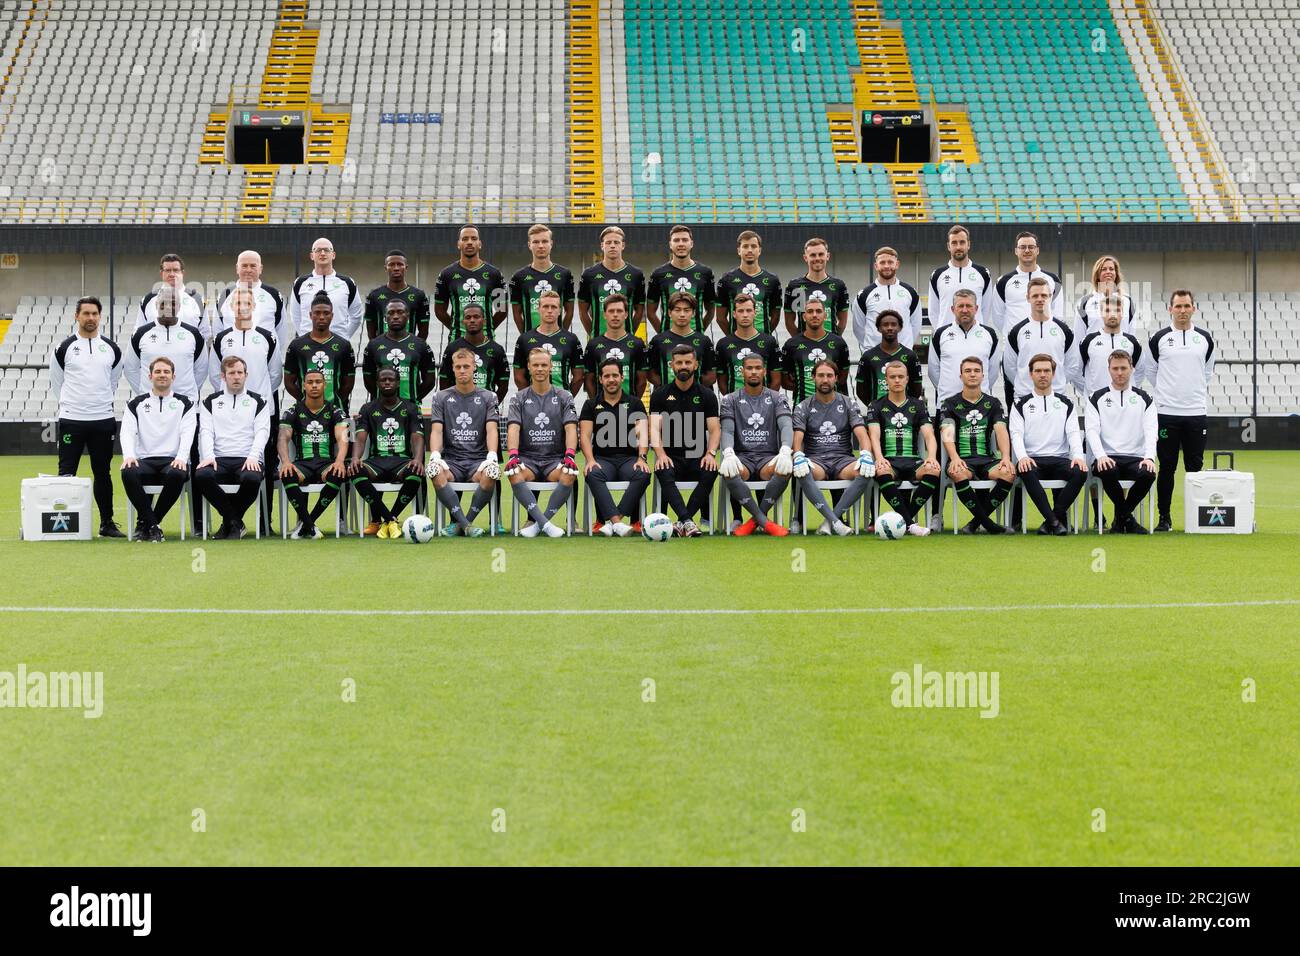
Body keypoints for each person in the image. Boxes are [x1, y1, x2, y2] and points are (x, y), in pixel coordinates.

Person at [50, 296, 125, 537]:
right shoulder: (64, 348)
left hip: (102, 419)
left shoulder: (111, 349)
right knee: (66, 472)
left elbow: (112, 382)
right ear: (77, 316)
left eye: (95, 314)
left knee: (103, 472)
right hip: (72, 419)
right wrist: (73, 405)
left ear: (100, 317)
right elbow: (57, 383)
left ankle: (107, 523)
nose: (90, 318)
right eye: (86, 314)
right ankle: (63, 525)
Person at [211, 285, 282, 534]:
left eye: (247, 303)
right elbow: (213, 374)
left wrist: (256, 401)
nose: (242, 307)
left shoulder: (268, 336)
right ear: (231, 307)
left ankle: (266, 524)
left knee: (264, 466)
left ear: (254, 307)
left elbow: (275, 374)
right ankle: (232, 521)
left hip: (261, 411)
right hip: (228, 412)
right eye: (238, 303)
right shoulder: (221, 338)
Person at [1148, 289, 1215, 532]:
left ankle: (1196, 517)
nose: (1183, 311)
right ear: (1170, 309)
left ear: (1194, 308)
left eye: (1187, 306)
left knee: (1195, 467)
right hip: (1167, 413)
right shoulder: (1159, 338)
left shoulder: (1205, 338)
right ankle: (1164, 517)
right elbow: (1151, 371)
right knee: (1166, 467)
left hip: (1196, 413)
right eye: (1178, 306)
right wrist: (1169, 394)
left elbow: (1207, 372)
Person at [791, 359, 874, 536]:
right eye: (821, 375)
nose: (825, 379)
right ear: (813, 378)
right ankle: (836, 522)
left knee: (865, 470)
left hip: (843, 460)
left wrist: (866, 453)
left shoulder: (848, 403)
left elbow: (861, 433)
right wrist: (798, 455)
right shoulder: (803, 406)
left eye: (829, 375)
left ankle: (830, 521)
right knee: (803, 470)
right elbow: (797, 438)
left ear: (836, 378)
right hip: (816, 461)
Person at [120, 356, 196, 542]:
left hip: (172, 460)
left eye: (166, 372)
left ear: (173, 376)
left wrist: (181, 458)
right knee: (128, 471)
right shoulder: (136, 403)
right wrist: (129, 455)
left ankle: (148, 524)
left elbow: (188, 433)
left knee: (177, 473)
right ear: (150, 376)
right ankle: (153, 525)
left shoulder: (185, 403)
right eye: (158, 372)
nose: (162, 375)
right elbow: (127, 432)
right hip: (145, 460)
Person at [194, 356, 272, 539]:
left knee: (252, 479)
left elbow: (262, 432)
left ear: (246, 375)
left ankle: (228, 523)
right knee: (202, 475)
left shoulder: (259, 401)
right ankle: (234, 522)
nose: (236, 377)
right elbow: (205, 431)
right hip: (219, 459)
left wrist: (253, 457)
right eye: (231, 373)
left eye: (239, 372)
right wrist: (209, 455)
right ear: (223, 376)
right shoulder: (210, 401)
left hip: (247, 458)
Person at [1010, 354, 1087, 535]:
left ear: (1053, 374)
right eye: (1038, 371)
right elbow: (1016, 435)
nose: (1042, 375)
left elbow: (1074, 433)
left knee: (1081, 471)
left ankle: (1050, 521)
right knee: (1026, 469)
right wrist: (1022, 457)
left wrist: (1077, 456)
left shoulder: (1065, 403)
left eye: (1047, 371)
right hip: (1033, 460)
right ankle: (1055, 521)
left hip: (1059, 458)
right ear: (1031, 375)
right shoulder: (1020, 404)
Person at [505, 348, 579, 538]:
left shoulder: (564, 396)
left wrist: (570, 454)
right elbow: (513, 428)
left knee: (569, 474)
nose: (539, 369)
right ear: (528, 367)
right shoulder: (518, 397)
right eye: (535, 365)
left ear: (551, 367)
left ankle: (538, 524)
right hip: (528, 460)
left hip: (554, 460)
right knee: (513, 473)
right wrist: (513, 455)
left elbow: (571, 428)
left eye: (544, 365)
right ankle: (546, 524)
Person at [426, 348, 499, 538]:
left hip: (477, 461)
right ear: (452, 368)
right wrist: (435, 454)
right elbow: (436, 430)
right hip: (452, 462)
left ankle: (463, 522)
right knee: (433, 470)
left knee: (492, 471)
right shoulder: (440, 397)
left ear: (474, 367)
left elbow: (491, 429)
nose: (462, 370)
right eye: (458, 367)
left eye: (466, 366)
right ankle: (467, 526)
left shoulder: (488, 397)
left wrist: (492, 455)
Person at [717, 354, 793, 537]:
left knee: (785, 468)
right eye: (749, 368)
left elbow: (786, 425)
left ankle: (753, 521)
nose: (753, 372)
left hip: (768, 457)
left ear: (764, 371)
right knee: (730, 470)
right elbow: (727, 431)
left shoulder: (777, 398)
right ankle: (764, 521)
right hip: (742, 458)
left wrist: (785, 450)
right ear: (742, 371)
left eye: (758, 368)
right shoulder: (729, 399)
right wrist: (728, 453)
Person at [650, 345, 721, 537]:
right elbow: (653, 428)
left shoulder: (707, 395)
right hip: (671, 457)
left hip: (697, 456)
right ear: (671, 365)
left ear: (696, 365)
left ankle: (683, 520)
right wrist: (661, 454)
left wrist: (710, 453)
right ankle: (688, 521)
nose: (683, 366)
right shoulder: (659, 394)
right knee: (662, 468)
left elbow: (715, 430)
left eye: (688, 362)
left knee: (711, 468)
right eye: (679, 362)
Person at [940, 357, 1016, 534]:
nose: (972, 374)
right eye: (968, 371)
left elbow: (1001, 430)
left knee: (1009, 472)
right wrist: (955, 458)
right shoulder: (949, 403)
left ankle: (973, 524)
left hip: (987, 459)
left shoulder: (993, 403)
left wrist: (1005, 457)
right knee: (957, 472)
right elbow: (947, 433)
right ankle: (989, 525)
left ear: (982, 375)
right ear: (961, 376)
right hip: (963, 459)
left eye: (976, 371)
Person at [1084, 350, 1158, 534]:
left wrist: (1149, 457)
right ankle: (1128, 520)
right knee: (1107, 469)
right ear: (1108, 370)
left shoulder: (1144, 399)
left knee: (1148, 474)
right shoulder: (1097, 398)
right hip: (1108, 457)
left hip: (1135, 457)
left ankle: (1121, 518)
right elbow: (1092, 431)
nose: (1119, 372)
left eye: (1123, 368)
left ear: (1131, 369)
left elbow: (1151, 431)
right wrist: (1100, 456)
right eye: (1115, 368)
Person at [348, 367, 426, 539]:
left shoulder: (411, 408)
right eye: (383, 380)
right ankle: (390, 519)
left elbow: (417, 437)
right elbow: (360, 438)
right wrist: (355, 458)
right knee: (355, 470)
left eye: (391, 379)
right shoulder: (368, 408)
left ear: (398, 383)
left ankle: (386, 521)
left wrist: (418, 459)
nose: (387, 382)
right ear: (377, 384)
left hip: (401, 461)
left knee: (416, 471)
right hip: (377, 461)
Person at [864, 361, 940, 536]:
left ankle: (904, 520)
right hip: (890, 461)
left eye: (900, 377)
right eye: (892, 377)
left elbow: (929, 436)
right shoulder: (876, 405)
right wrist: (880, 457)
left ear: (907, 379)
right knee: (881, 470)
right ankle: (911, 524)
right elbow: (873, 435)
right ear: (886, 380)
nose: (897, 380)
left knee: (934, 470)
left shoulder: (918, 405)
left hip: (913, 461)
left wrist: (932, 456)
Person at [580, 359, 651, 536]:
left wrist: (641, 458)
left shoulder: (635, 403)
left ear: (622, 377)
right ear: (600, 379)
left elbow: (643, 433)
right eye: (607, 376)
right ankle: (618, 522)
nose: (611, 379)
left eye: (615, 375)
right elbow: (585, 436)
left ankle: (614, 520)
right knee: (592, 473)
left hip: (629, 459)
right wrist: (590, 460)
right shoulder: (590, 404)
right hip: (603, 459)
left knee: (643, 473)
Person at [277, 369, 350, 539]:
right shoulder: (292, 411)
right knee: (288, 475)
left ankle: (307, 523)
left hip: (326, 463)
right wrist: (286, 462)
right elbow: (282, 438)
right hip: (303, 464)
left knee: (337, 474)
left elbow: (343, 438)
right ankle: (310, 526)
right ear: (303, 386)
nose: (314, 385)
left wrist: (339, 461)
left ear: (325, 385)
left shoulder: (336, 411)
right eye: (310, 382)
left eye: (318, 382)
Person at [125, 284, 207, 400]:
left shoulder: (194, 334)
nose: (168, 307)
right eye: (163, 303)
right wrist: (145, 392)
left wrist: (188, 393)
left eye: (173, 303)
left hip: (186, 405)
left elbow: (201, 370)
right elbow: (130, 369)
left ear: (179, 306)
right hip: (151, 403)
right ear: (156, 305)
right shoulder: (140, 334)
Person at [1003, 276, 1078, 403]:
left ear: (1050, 297)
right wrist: (1025, 384)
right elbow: (1009, 367)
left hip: (1056, 397)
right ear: (1028, 298)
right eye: (1035, 296)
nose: (1040, 299)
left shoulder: (1064, 330)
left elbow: (1072, 365)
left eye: (1044, 295)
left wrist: (1057, 382)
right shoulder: (1017, 331)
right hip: (1024, 398)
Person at [284, 292, 357, 412]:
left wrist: (336, 402)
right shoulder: (297, 345)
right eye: (317, 313)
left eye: (326, 313)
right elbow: (288, 382)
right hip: (305, 412)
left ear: (332, 315)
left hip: (336, 412)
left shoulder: (343, 345)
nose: (321, 317)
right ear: (310, 315)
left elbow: (348, 383)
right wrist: (305, 400)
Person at [434, 225, 508, 340]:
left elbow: (502, 310)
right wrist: (456, 328)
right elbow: (439, 311)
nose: (469, 242)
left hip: (486, 340)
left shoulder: (495, 274)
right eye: (465, 239)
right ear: (458, 244)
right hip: (457, 341)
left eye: (474, 239)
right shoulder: (446, 274)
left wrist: (486, 328)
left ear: (480, 244)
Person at [926, 289, 999, 404]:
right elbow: (933, 370)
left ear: (976, 309)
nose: (965, 310)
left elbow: (993, 371)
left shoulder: (989, 334)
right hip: (947, 404)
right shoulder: (940, 334)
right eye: (960, 306)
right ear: (952, 309)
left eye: (969, 306)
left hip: (980, 404)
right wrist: (946, 391)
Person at [986, 231, 1063, 334]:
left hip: (1044, 342)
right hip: (1015, 346)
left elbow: (1058, 314)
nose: (1027, 250)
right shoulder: (1003, 282)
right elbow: (998, 317)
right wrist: (1014, 335)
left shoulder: (1053, 280)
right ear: (1016, 251)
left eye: (1031, 247)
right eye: (1022, 247)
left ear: (1037, 250)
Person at [288, 237, 364, 340]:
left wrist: (343, 338)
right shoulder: (300, 283)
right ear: (312, 256)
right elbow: (295, 316)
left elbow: (356, 316)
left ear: (333, 255)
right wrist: (305, 337)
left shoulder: (347, 283)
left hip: (338, 346)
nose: (322, 253)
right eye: (318, 250)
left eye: (327, 250)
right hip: (308, 345)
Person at [512, 289, 585, 394]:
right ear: (538, 309)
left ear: (559, 310)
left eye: (554, 307)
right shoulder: (524, 339)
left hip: (561, 404)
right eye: (546, 307)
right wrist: (529, 399)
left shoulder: (572, 339)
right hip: (532, 404)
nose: (549, 310)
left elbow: (578, 377)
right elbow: (519, 377)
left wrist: (566, 399)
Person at [363, 299, 437, 403]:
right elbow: (368, 381)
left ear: (407, 316)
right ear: (385, 318)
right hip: (381, 407)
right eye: (391, 313)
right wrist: (384, 398)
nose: (396, 316)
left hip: (411, 409)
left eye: (400, 312)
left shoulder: (420, 345)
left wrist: (413, 399)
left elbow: (429, 381)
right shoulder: (373, 345)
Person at [578, 225, 646, 336]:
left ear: (623, 245)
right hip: (598, 340)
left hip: (626, 342)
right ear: (602, 246)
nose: (612, 246)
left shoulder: (636, 274)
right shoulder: (589, 274)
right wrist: (594, 336)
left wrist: (629, 335)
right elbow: (582, 311)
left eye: (616, 242)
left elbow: (639, 311)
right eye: (608, 243)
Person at [1075, 293, 1147, 398]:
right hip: (1097, 405)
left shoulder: (1132, 342)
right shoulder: (1088, 341)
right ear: (1101, 313)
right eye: (1107, 310)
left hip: (1126, 404)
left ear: (1122, 313)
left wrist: (1129, 390)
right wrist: (1090, 393)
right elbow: (1076, 371)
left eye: (1117, 310)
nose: (1112, 314)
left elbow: (1141, 370)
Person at [647, 224, 716, 333]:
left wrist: (699, 332)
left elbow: (711, 309)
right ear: (670, 244)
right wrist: (663, 334)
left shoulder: (705, 273)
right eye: (676, 240)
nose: (681, 244)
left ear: (691, 243)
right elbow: (650, 312)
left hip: (696, 340)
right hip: (668, 341)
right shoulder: (658, 274)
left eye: (684, 240)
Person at [850, 246, 922, 350]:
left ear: (897, 264)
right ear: (876, 266)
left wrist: (906, 346)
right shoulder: (864, 294)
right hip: (874, 355)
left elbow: (916, 325)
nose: (886, 266)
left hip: (902, 353)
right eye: (882, 262)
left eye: (890, 262)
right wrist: (871, 349)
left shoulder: (910, 292)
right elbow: (858, 328)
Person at [781, 296, 850, 405]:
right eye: (810, 311)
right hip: (801, 408)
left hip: (832, 407)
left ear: (825, 316)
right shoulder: (791, 345)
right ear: (804, 316)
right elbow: (785, 381)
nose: (814, 315)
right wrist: (801, 388)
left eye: (818, 311)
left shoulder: (839, 343)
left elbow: (842, 377)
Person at [509, 223, 575, 333]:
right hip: (530, 344)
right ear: (529, 245)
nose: (540, 245)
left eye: (544, 241)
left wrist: (560, 334)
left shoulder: (565, 274)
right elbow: (516, 314)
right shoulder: (519, 277)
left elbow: (569, 311)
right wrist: (527, 337)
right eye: (535, 242)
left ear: (551, 244)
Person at [582, 293, 649, 399]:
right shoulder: (593, 345)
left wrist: (633, 403)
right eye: (611, 311)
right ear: (604, 314)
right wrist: (597, 403)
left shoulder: (638, 344)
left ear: (626, 314)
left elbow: (642, 381)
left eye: (619, 311)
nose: (615, 315)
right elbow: (589, 381)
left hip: (630, 408)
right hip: (602, 409)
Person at [438, 302, 509, 400]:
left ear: (484, 321)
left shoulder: (497, 349)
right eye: (468, 317)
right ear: (463, 321)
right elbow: (444, 383)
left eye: (476, 317)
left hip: (486, 409)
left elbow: (503, 386)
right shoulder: (452, 348)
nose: (472, 320)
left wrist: (492, 406)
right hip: (458, 407)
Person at [715, 229, 781, 336]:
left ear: (759, 250)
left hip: (763, 343)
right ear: (739, 250)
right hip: (736, 341)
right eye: (745, 246)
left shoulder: (772, 280)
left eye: (753, 246)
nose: (749, 250)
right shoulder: (726, 280)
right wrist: (733, 337)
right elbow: (720, 318)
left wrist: (764, 336)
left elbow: (775, 316)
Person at [928, 224, 993, 330]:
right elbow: (933, 312)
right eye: (954, 243)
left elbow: (986, 310)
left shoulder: (983, 274)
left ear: (968, 245)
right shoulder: (937, 275)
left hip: (975, 338)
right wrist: (943, 333)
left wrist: (976, 330)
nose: (958, 247)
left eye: (962, 242)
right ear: (949, 246)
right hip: (947, 339)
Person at [714, 293, 781, 393]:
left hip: (763, 405)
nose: (745, 315)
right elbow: (722, 382)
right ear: (734, 314)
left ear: (755, 313)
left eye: (749, 310)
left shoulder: (769, 342)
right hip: (735, 405)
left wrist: (767, 402)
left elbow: (776, 380)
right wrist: (732, 402)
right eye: (740, 311)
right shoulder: (723, 344)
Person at [216, 251, 286, 343]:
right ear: (237, 268)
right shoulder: (224, 296)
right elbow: (217, 331)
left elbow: (281, 332)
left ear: (260, 269)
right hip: (231, 354)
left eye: (253, 266)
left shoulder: (274, 295)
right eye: (244, 265)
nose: (248, 270)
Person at [648, 291, 716, 387]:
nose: (682, 314)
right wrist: (668, 389)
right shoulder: (657, 341)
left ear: (693, 313)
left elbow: (711, 376)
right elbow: (651, 375)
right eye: (677, 310)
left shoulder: (704, 341)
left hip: (696, 399)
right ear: (669, 313)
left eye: (686, 310)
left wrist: (692, 389)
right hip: (667, 399)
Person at [784, 236, 850, 335]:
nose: (817, 258)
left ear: (827, 256)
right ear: (805, 258)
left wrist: (834, 339)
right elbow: (789, 322)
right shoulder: (794, 286)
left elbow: (842, 321)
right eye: (813, 255)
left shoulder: (838, 285)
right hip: (804, 346)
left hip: (830, 345)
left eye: (821, 254)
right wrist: (800, 341)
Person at [855, 309, 922, 405]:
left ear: (900, 328)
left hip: (904, 413)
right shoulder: (868, 356)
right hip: (877, 414)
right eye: (885, 325)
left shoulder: (910, 356)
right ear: (879, 328)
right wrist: (874, 407)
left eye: (894, 324)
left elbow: (916, 389)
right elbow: (861, 390)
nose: (890, 328)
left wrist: (905, 407)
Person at [135, 253, 206, 337]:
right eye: (168, 270)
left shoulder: (198, 300)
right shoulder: (147, 300)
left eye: (176, 270)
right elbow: (139, 332)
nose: (172, 274)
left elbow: (205, 334)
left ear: (182, 273)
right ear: (161, 273)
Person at [365, 250, 430, 340]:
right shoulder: (374, 296)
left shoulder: (419, 295)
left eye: (400, 264)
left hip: (410, 350)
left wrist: (414, 347)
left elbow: (424, 331)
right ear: (386, 268)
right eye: (391, 264)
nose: (396, 268)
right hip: (382, 350)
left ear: (406, 268)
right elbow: (371, 331)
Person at [1073, 255, 1136, 341]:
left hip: (1121, 352)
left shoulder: (1127, 301)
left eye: (1111, 269)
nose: (1108, 272)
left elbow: (1131, 336)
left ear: (1116, 274)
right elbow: (1079, 338)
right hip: (1094, 353)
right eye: (1103, 269)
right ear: (1097, 275)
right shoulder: (1084, 302)